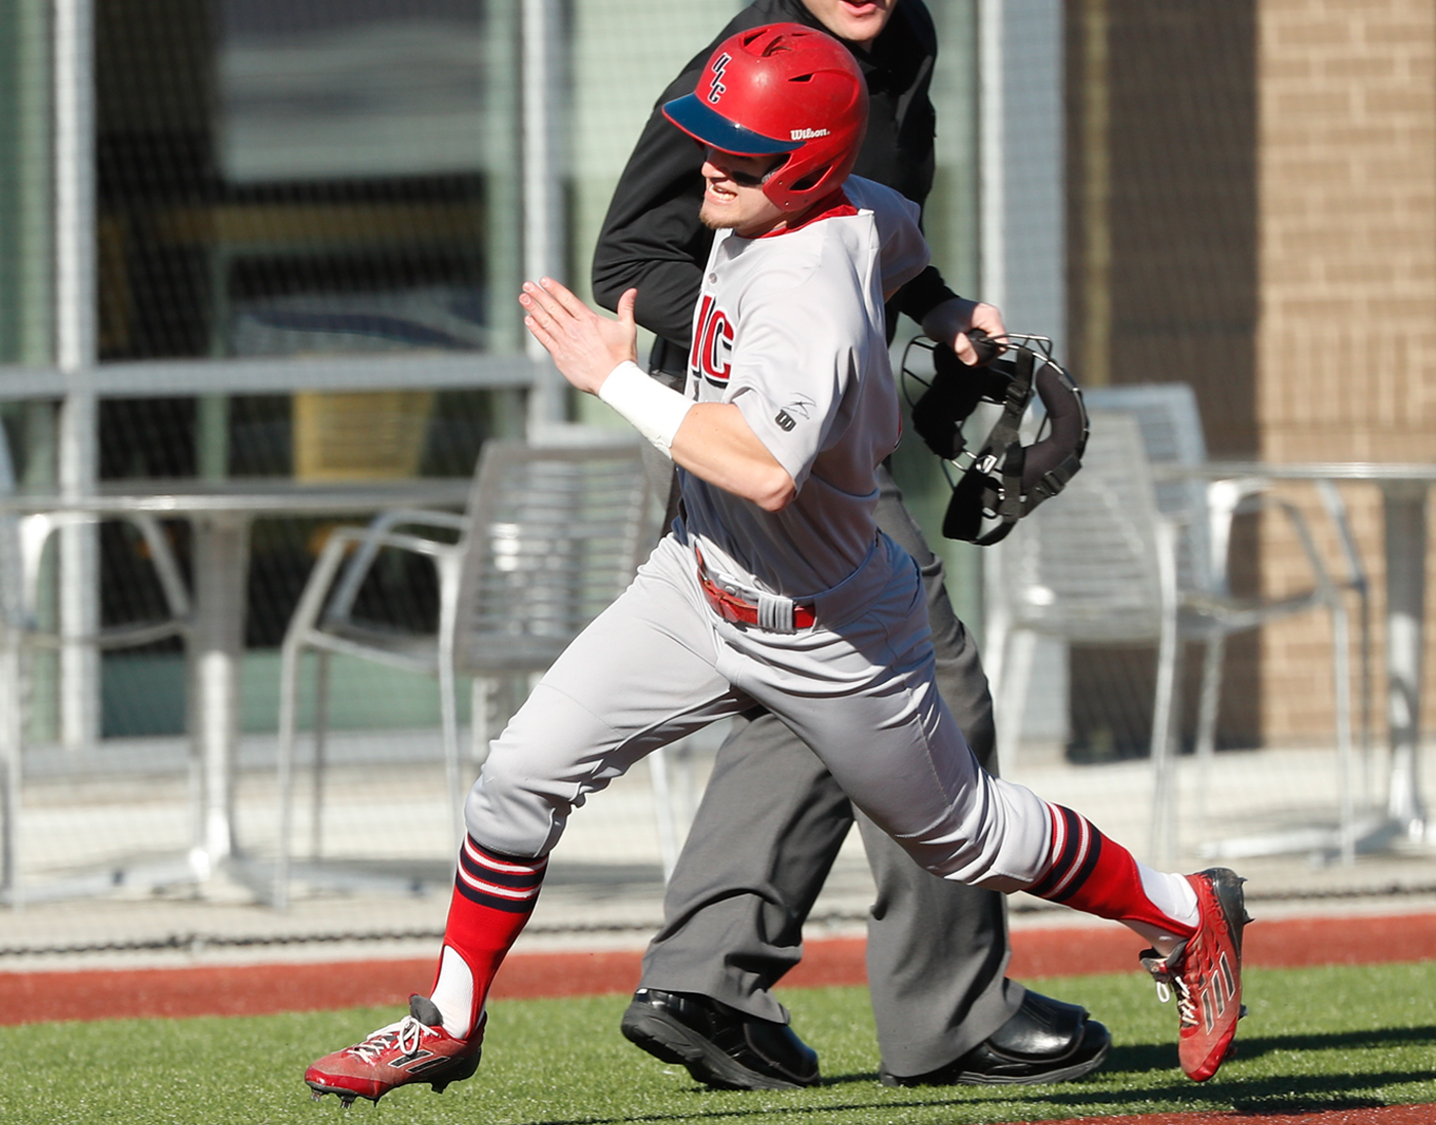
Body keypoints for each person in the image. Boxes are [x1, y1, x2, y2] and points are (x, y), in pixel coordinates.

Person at [301, 24, 1247, 1107]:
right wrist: (943, 308)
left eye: (741, 151)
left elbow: (760, 473)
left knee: (964, 837)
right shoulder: (838, 203)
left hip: (827, 625)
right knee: (518, 774)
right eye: (709, 138)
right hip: (692, 584)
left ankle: (1183, 912)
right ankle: (449, 1018)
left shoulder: (804, 298)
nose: (711, 162)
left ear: (802, 161)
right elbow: (895, 233)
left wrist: (611, 381)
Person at [592, 0, 1104, 1090]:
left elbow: (859, 226)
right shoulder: (743, 63)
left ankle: (705, 980)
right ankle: (949, 1015)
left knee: (813, 699)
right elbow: (628, 258)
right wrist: (784, 345)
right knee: (930, 689)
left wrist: (932, 302)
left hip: (815, 431)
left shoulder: (902, 42)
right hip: (761, 439)